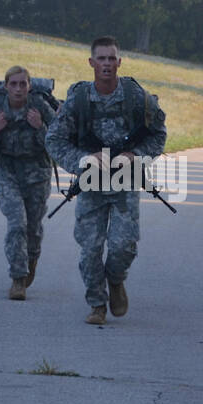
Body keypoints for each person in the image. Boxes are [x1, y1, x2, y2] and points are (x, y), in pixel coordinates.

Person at [45, 36, 166, 325]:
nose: (107, 64)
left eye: (112, 58)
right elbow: (54, 139)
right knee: (90, 248)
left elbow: (158, 135)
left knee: (124, 246)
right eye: (101, 58)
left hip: (125, 179)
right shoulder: (79, 99)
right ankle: (97, 305)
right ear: (91, 62)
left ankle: (115, 280)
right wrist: (84, 161)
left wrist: (136, 156)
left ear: (120, 62)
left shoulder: (137, 97)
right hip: (90, 182)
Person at [0, 65, 56, 300]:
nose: (19, 89)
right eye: (14, 84)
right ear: (6, 86)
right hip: (6, 170)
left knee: (33, 226)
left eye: (23, 84)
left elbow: (58, 143)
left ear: (29, 86)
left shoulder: (40, 107)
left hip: (37, 173)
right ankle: (18, 279)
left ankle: (32, 257)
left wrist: (40, 127)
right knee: (17, 222)